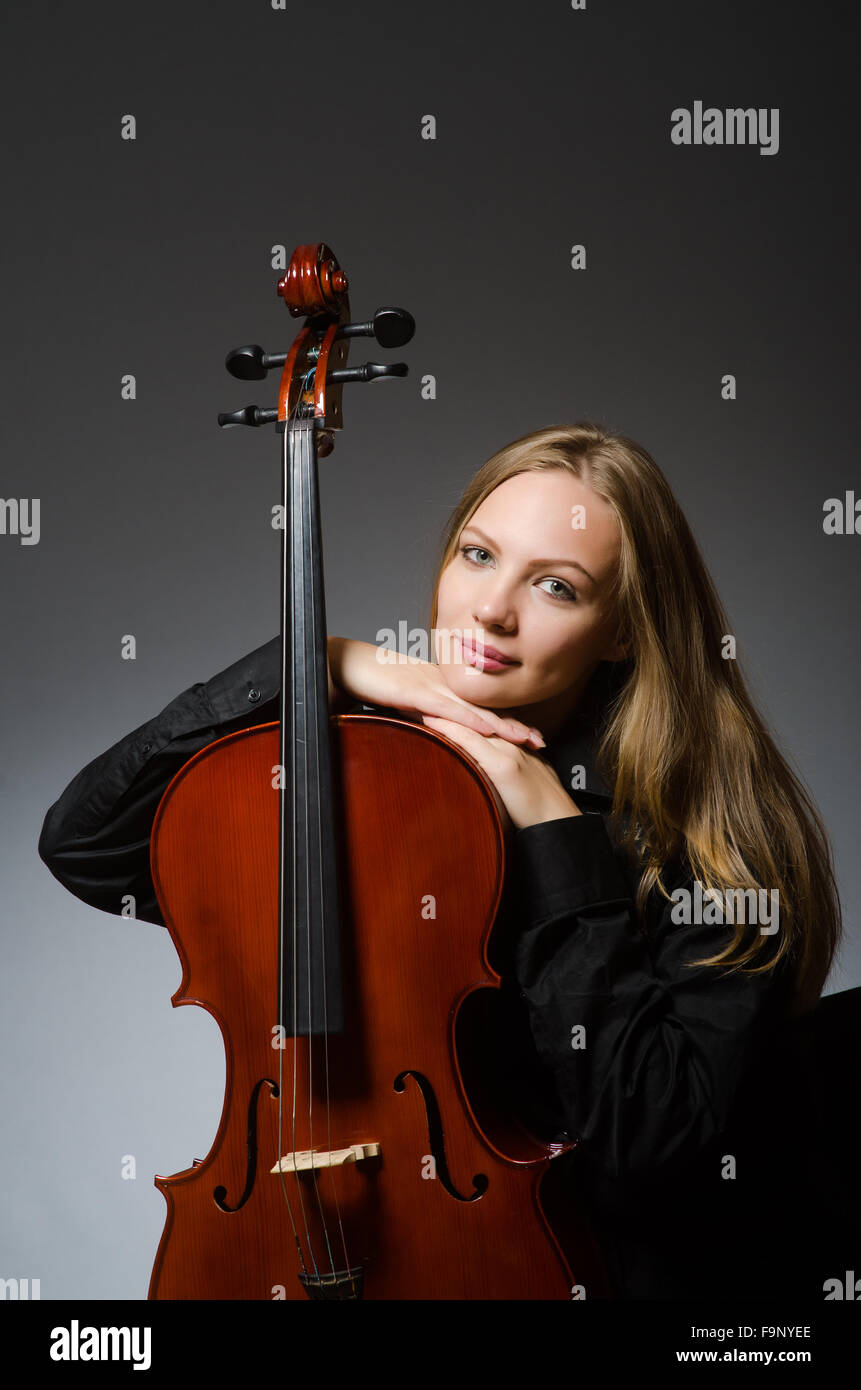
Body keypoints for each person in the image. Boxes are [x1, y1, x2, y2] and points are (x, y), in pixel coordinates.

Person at [39, 421, 843, 1300]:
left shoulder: (710, 836)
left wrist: (546, 820)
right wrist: (323, 663)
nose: (491, 611)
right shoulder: (366, 775)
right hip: (331, 1222)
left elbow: (650, 1140)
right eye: (476, 555)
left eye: (555, 586)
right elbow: (88, 844)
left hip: (568, 1267)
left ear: (620, 632)